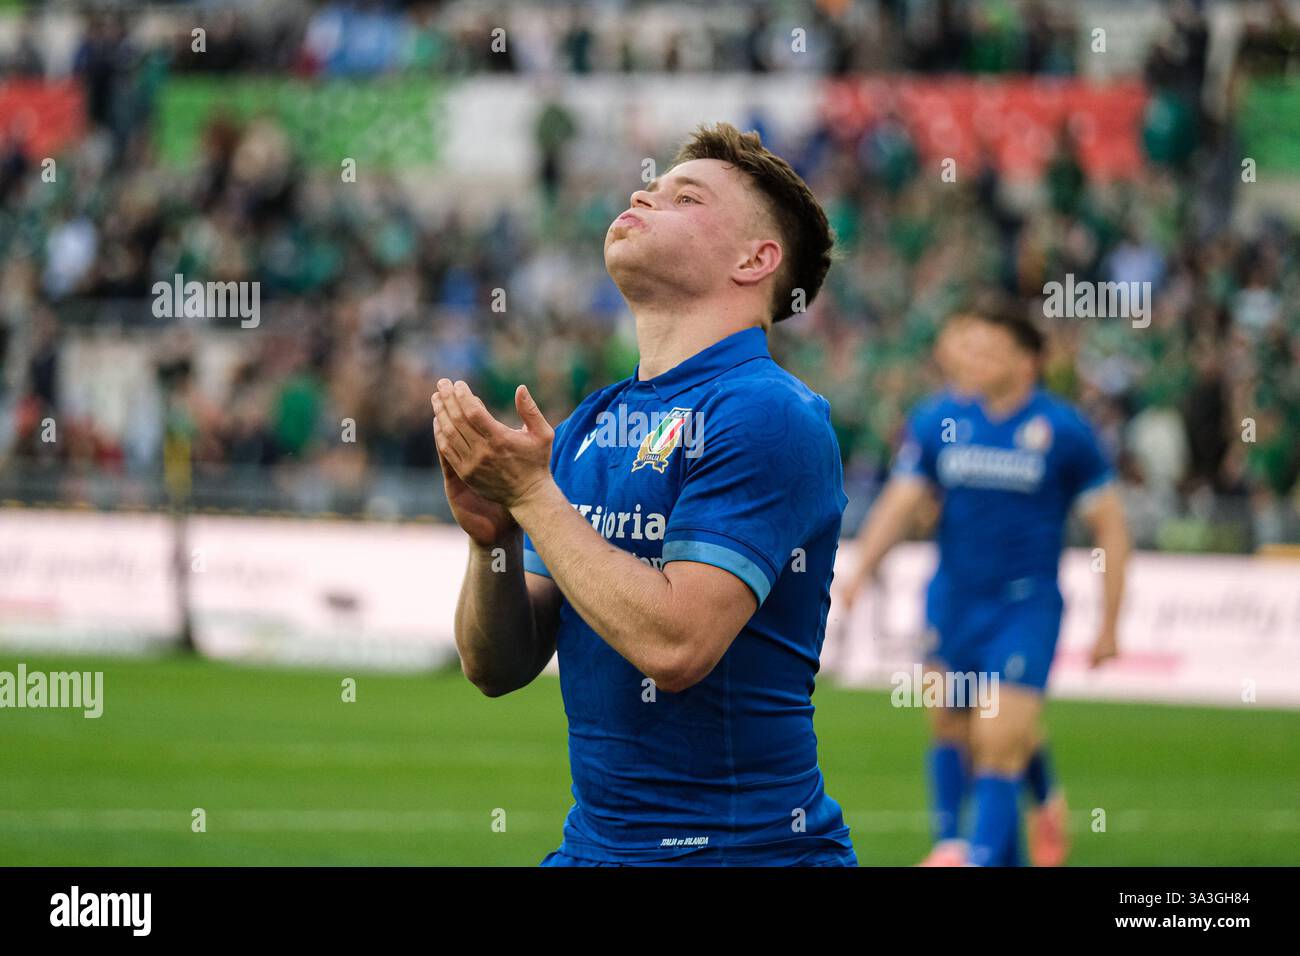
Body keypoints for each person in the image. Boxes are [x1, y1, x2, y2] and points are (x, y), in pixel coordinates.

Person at [431, 122, 856, 866]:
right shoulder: (594, 420)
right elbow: (496, 667)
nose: (642, 194)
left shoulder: (768, 412)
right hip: (594, 848)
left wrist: (532, 495)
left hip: (741, 853)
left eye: (684, 196)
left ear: (755, 260)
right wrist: (493, 541)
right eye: (649, 185)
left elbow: (677, 645)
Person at [835, 307, 1130, 866]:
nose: (974, 361)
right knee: (953, 728)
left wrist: (1111, 622)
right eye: (972, 350)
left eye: (989, 352)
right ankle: (966, 842)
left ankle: (964, 855)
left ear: (1028, 362)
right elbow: (902, 501)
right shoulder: (938, 419)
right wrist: (862, 569)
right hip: (952, 598)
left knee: (999, 739)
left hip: (1026, 606)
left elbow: (1110, 526)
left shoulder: (1063, 430)